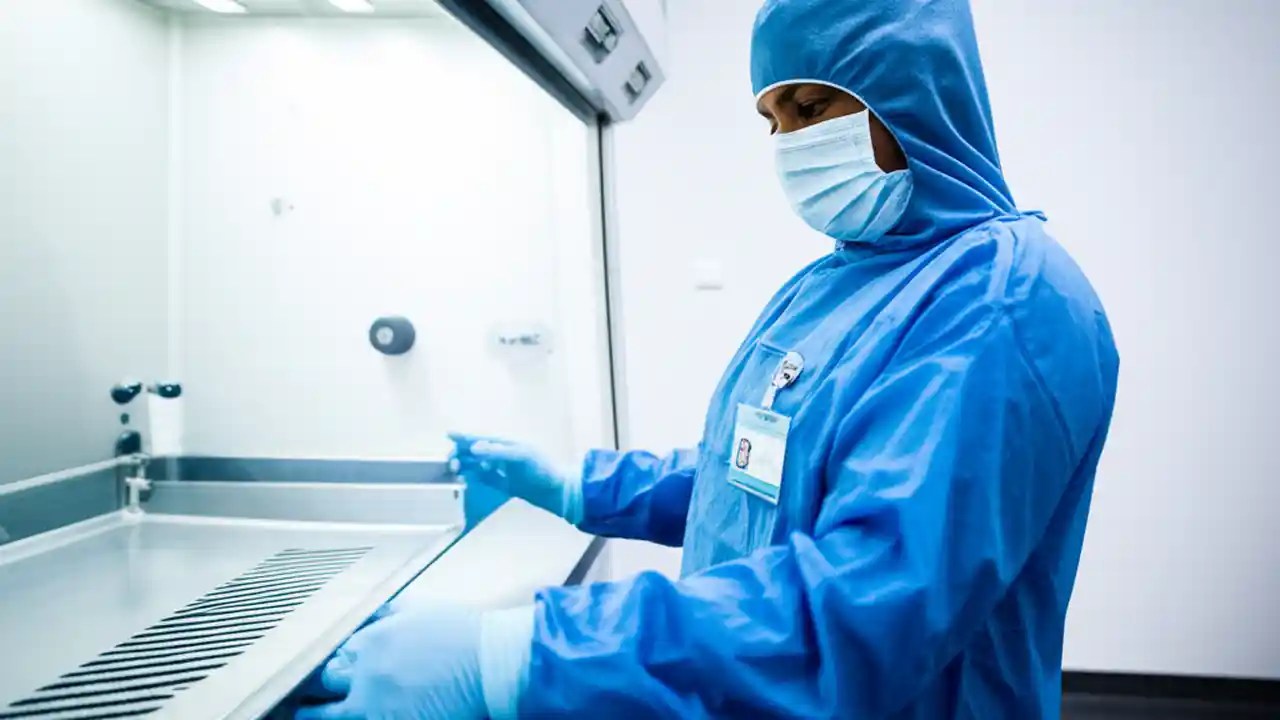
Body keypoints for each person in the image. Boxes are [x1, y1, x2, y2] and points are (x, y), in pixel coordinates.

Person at [295, 0, 1119, 717]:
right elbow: (761, 479)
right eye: (773, 121)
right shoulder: (838, 281)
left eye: (809, 105)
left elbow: (865, 608)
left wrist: (528, 655)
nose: (791, 143)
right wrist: (586, 485)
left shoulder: (1002, 303)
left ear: (916, 89)